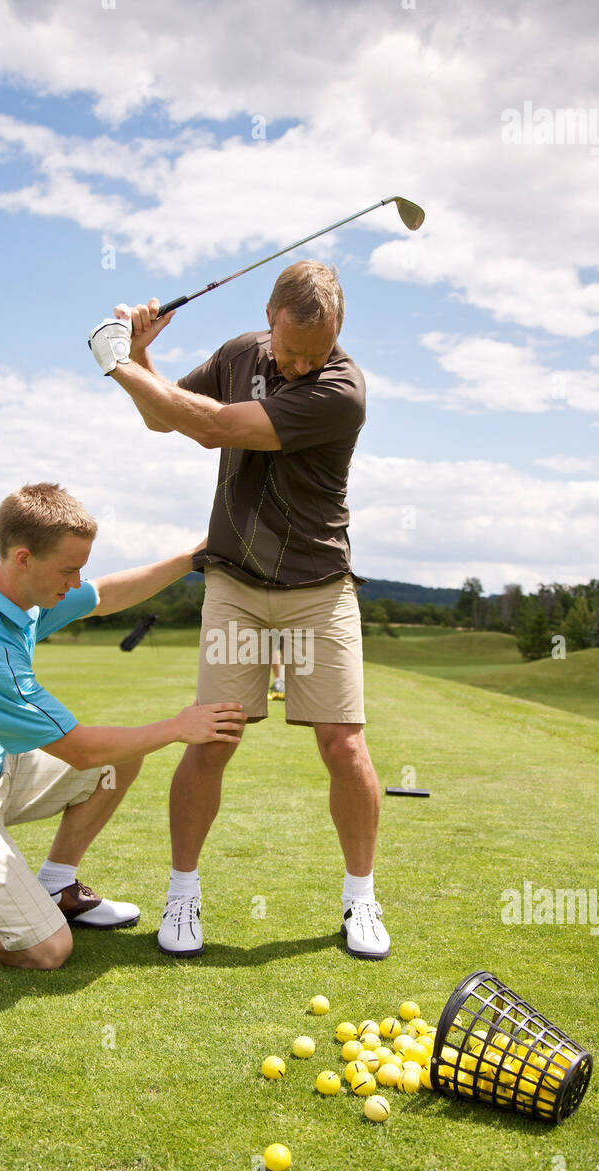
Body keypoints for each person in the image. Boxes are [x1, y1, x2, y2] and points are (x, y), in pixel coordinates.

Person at [88, 260, 387, 960]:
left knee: (343, 744)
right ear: (268, 316)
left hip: (319, 587)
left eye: (318, 351)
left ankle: (361, 898)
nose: (303, 364)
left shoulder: (341, 391)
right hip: (236, 582)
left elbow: (214, 427)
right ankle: (182, 895)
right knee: (213, 738)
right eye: (292, 350)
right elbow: (163, 418)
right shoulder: (237, 356)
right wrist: (143, 356)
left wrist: (117, 363)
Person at [0, 484, 244, 970]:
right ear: (23, 558)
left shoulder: (12, 588)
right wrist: (179, 727)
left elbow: (105, 595)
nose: (76, 583)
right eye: (68, 570)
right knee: (46, 950)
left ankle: (57, 884)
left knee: (120, 760)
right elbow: (81, 750)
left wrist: (188, 560)